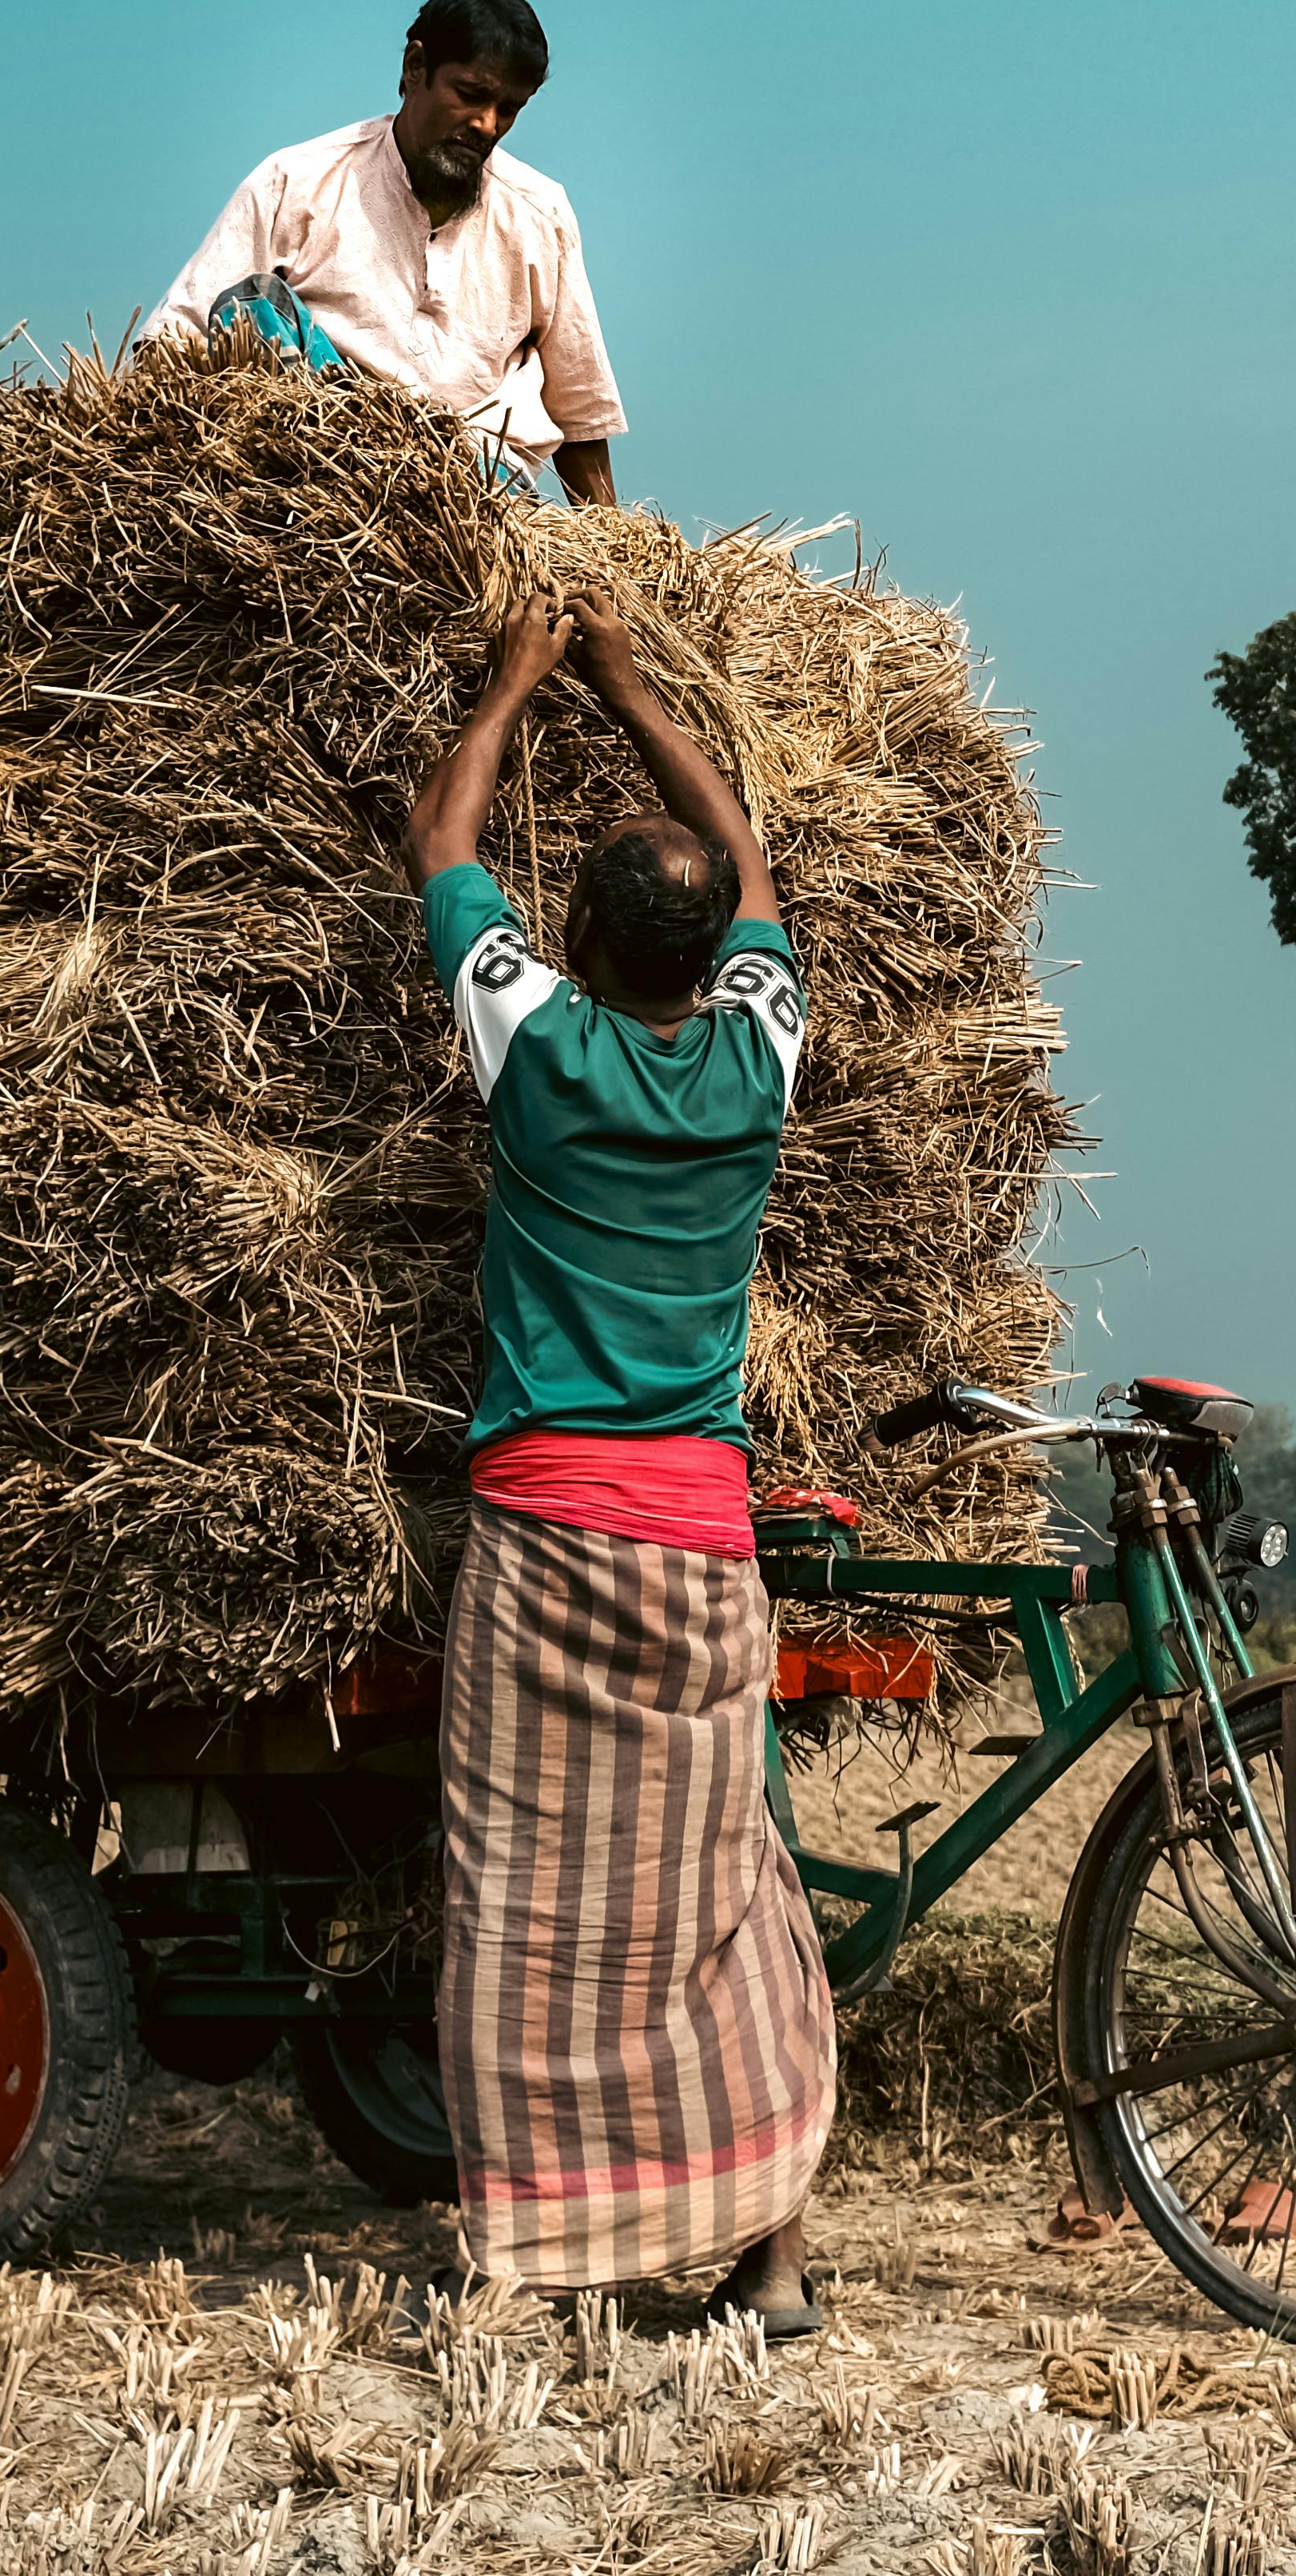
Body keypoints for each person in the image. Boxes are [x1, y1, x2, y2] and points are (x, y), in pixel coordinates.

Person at [404, 583, 825, 2332]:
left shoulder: (541, 1047)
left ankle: (534, 2259)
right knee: (727, 1892)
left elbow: (439, 835)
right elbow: (756, 869)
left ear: (568, 940)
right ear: (706, 952)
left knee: (520, 1896)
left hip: (548, 1535)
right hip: (701, 1541)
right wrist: (638, 688)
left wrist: (513, 683)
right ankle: (776, 2251)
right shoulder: (757, 1059)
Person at [141, 0, 630, 507]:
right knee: (254, 303)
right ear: (415, 67)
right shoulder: (296, 182)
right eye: (471, 95)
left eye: (509, 109)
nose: (488, 124)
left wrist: (609, 565)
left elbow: (581, 415)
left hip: (481, 491)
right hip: (325, 461)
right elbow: (171, 343)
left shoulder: (542, 215)